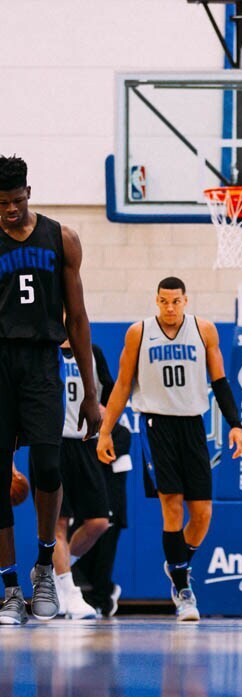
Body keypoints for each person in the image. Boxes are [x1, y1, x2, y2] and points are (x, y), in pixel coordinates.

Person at [96, 276, 242, 621]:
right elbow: (121, 385)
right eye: (163, 301)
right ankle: (183, 589)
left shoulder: (204, 330)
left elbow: (220, 381)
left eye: (175, 301)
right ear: (156, 301)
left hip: (193, 424)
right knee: (172, 506)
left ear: (186, 301)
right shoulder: (139, 332)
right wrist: (105, 431)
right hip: (155, 424)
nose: (169, 308)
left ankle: (177, 564)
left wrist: (235, 424)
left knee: (203, 513)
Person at [0, 155, 101, 625]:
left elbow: (77, 319)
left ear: (29, 194)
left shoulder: (61, 238)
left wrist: (92, 393)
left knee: (47, 463)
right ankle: (9, 588)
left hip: (43, 363)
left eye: (17, 202)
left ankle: (45, 566)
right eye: (1, 204)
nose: (10, 211)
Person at [33, 340, 115, 619]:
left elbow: (111, 392)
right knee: (57, 522)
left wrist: (106, 410)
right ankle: (70, 591)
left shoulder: (93, 352)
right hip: (52, 443)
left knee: (99, 521)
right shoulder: (44, 350)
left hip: (84, 444)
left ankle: (57, 569)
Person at [73, 421, 131, 617]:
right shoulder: (82, 430)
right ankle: (99, 594)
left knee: (104, 556)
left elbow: (106, 457)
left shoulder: (121, 433)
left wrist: (86, 456)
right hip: (86, 502)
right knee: (81, 554)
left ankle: (102, 601)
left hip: (111, 502)